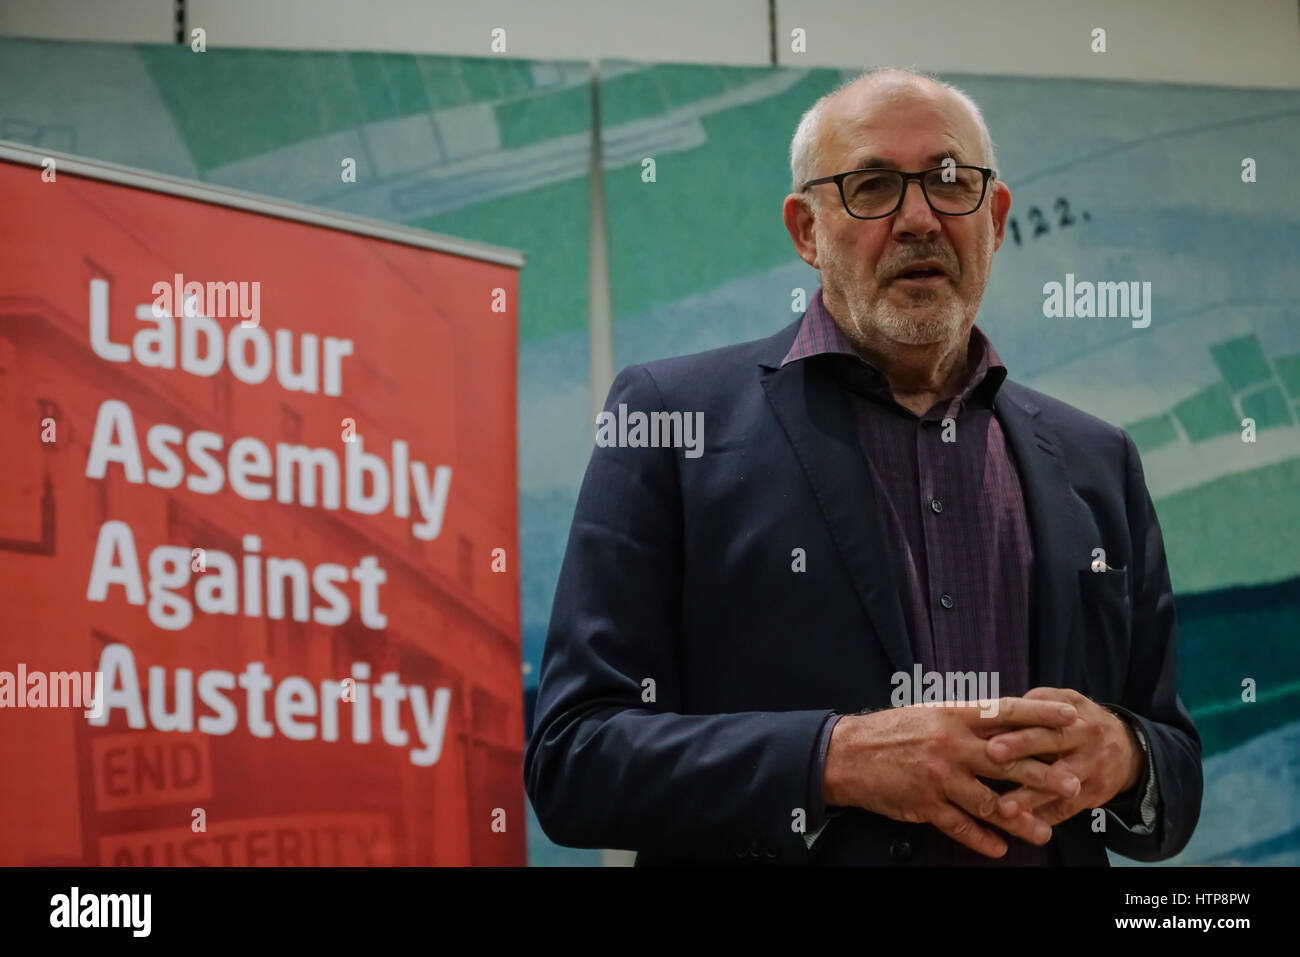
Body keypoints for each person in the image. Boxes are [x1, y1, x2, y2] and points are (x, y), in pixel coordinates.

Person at [523, 67, 1202, 865]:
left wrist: (1123, 754)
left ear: (996, 217)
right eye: (873, 186)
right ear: (806, 231)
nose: (918, 217)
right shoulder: (671, 421)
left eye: (951, 183)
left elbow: (1175, 773)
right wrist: (836, 758)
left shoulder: (1099, 459)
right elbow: (575, 758)